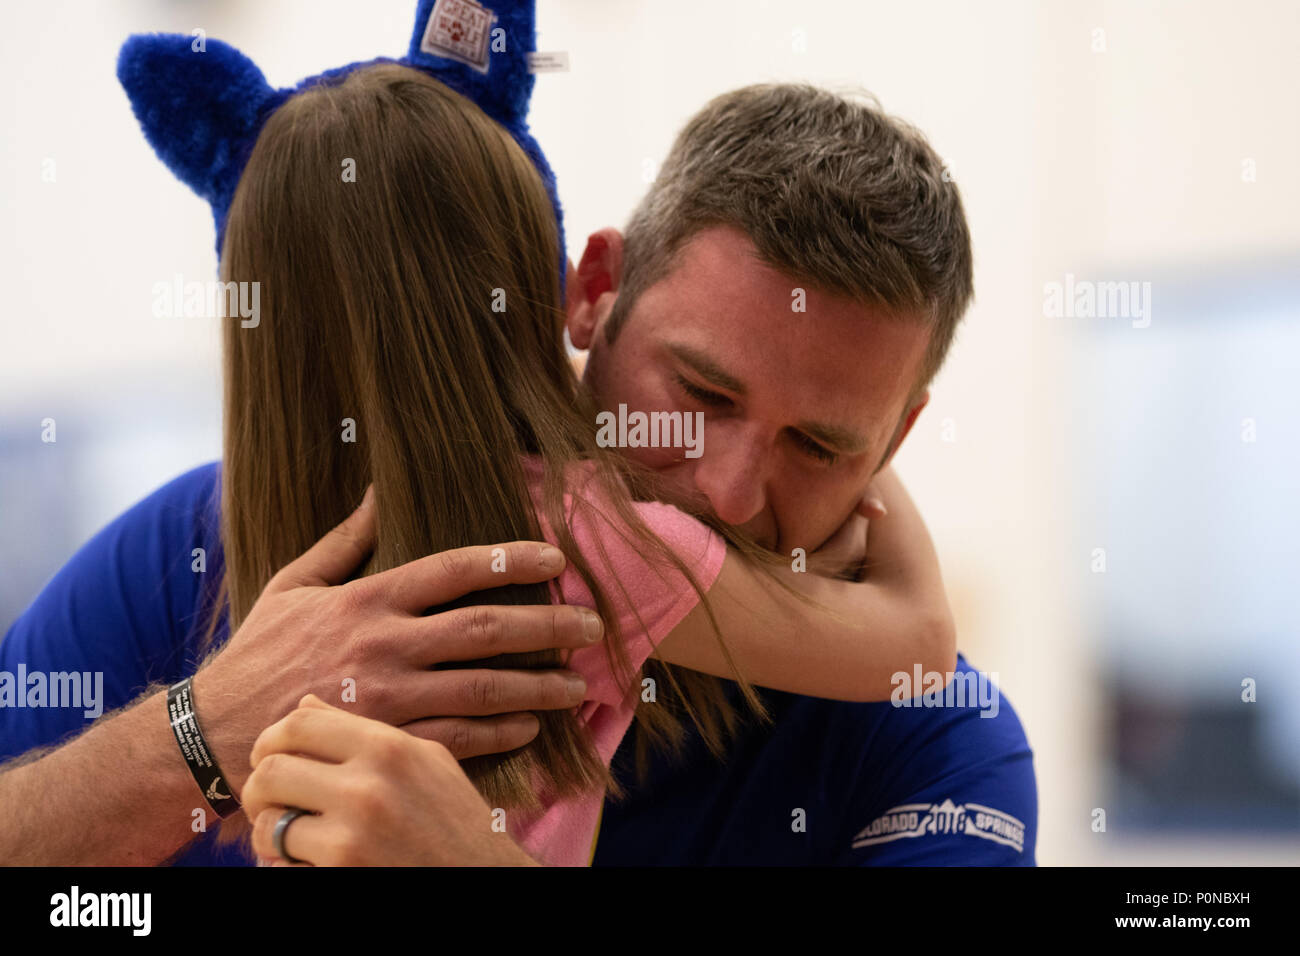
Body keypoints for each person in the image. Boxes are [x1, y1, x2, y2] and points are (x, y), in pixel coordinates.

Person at [0, 60, 955, 867]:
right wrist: (197, 734)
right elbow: (913, 644)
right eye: (703, 397)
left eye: (818, 443)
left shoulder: (940, 751)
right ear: (571, 294)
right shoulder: (586, 536)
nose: (730, 492)